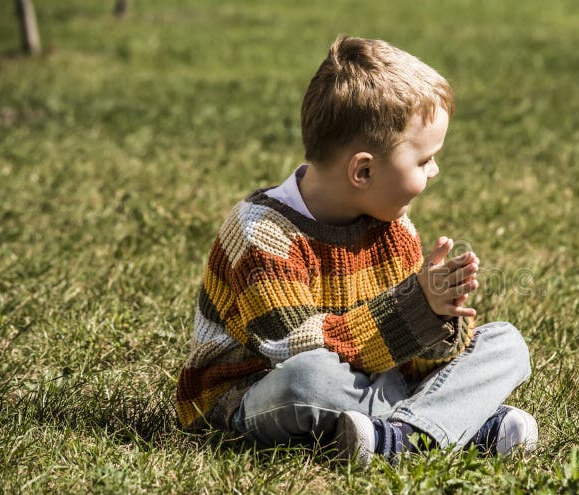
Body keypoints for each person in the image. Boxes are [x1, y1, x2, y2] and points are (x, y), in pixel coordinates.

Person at [175, 35, 538, 465]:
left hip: (369, 378)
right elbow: (297, 348)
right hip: (255, 392)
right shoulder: (260, 232)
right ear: (362, 170)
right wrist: (414, 309)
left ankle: (397, 437)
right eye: (424, 161)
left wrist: (439, 319)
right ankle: (459, 427)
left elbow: (407, 358)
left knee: (506, 344)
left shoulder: (393, 228)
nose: (435, 170)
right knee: (312, 379)